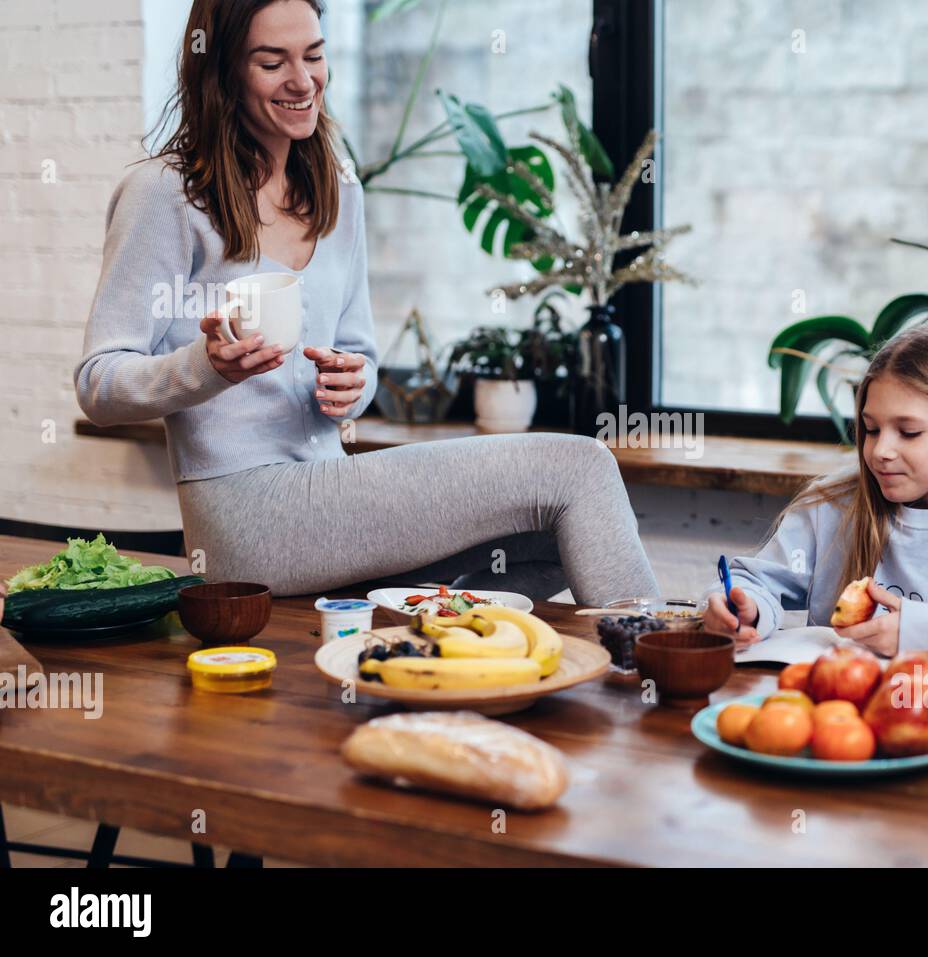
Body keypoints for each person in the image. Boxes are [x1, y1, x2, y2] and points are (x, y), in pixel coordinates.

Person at [75, 0, 658, 602]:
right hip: (244, 512)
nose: (303, 81)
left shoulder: (335, 184)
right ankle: (663, 657)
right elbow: (99, 384)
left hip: (330, 489)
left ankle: (435, 640)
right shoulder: (166, 195)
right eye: (272, 62)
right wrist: (205, 366)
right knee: (581, 468)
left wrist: (354, 384)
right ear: (222, 73)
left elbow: (358, 351)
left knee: (557, 535)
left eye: (315, 55)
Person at [701, 319, 928, 655]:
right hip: (844, 715)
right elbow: (757, 582)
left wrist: (923, 631)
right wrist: (743, 608)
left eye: (908, 432)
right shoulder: (829, 506)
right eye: (872, 429)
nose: (880, 451)